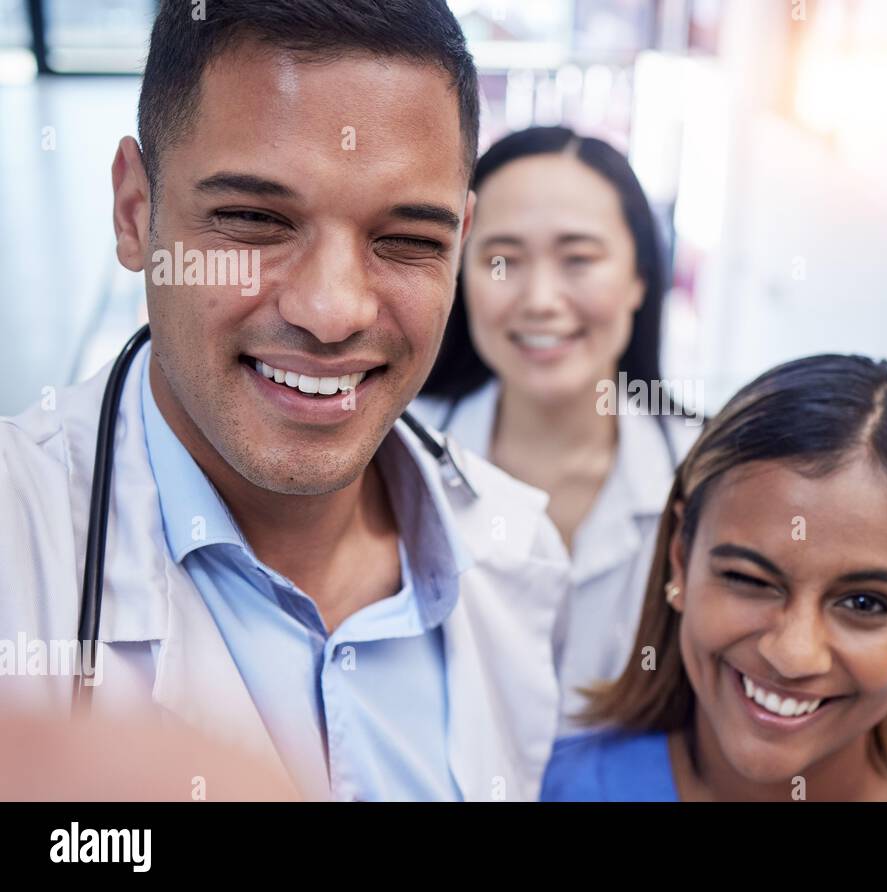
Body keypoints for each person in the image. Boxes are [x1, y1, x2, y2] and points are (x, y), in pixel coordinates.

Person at [0, 0, 569, 802]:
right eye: (254, 221)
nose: (332, 311)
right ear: (136, 211)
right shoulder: (18, 545)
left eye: (408, 239)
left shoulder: (519, 556)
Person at [542, 354, 887, 801]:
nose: (793, 655)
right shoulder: (549, 788)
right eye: (749, 579)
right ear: (681, 560)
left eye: (865, 604)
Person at [411, 127, 699, 733]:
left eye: (579, 259)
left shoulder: (708, 471)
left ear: (640, 277)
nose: (540, 299)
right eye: (502, 260)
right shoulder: (396, 451)